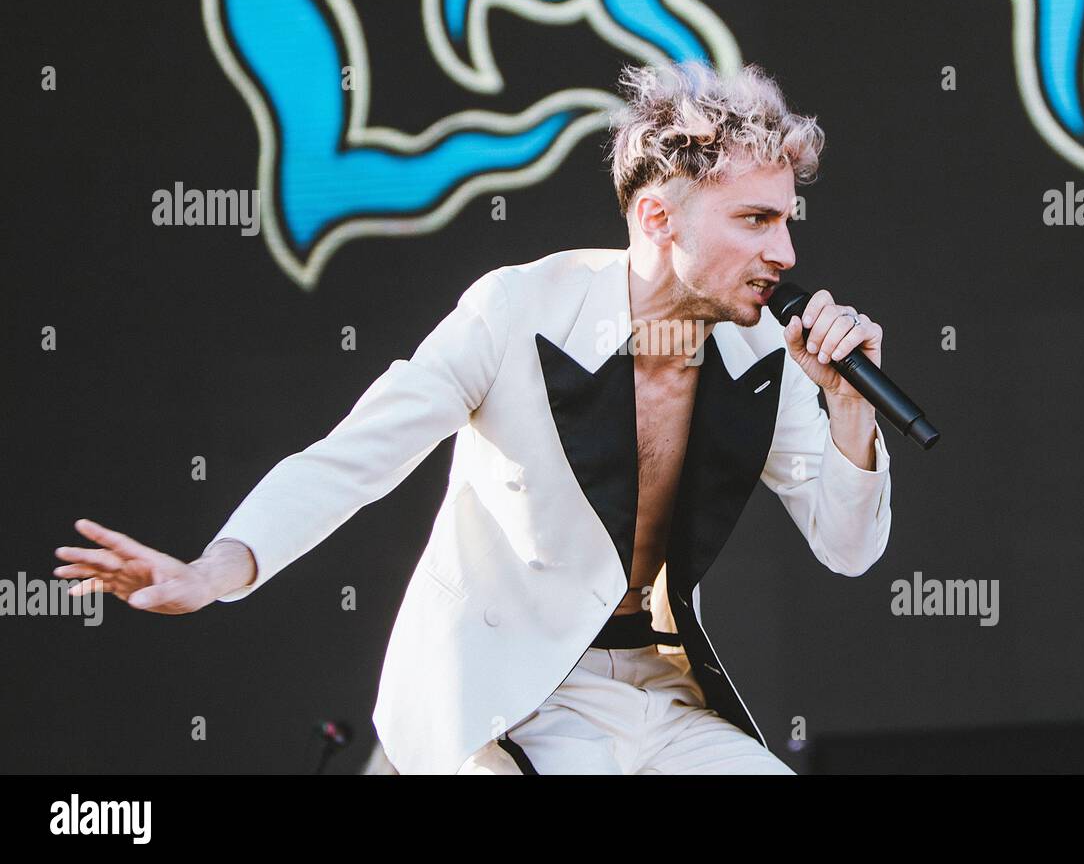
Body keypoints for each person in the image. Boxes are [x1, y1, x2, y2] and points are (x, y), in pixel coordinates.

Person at [55, 60, 893, 774]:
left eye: (786, 220)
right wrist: (215, 571)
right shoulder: (515, 312)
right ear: (656, 216)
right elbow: (351, 460)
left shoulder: (763, 354)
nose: (784, 253)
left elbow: (848, 549)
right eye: (755, 220)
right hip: (514, 695)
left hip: (662, 692)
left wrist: (848, 404)